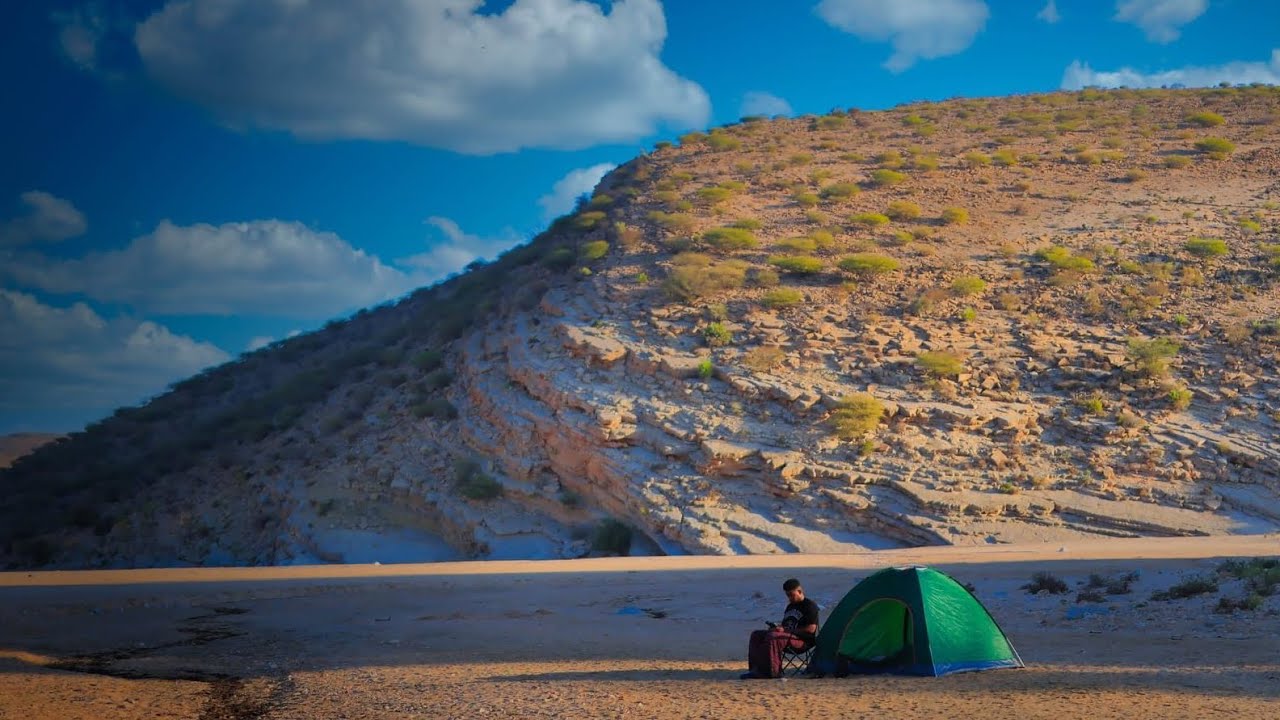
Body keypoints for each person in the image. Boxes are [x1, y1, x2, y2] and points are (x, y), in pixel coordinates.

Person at [741, 578, 820, 679]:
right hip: (786, 637)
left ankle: (772, 672)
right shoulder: (790, 607)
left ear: (800, 591)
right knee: (756, 635)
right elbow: (786, 625)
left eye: (791, 595)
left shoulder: (810, 606)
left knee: (773, 637)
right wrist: (776, 627)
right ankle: (755, 670)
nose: (789, 598)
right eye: (787, 595)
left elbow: (811, 629)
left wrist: (785, 631)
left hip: (803, 641)